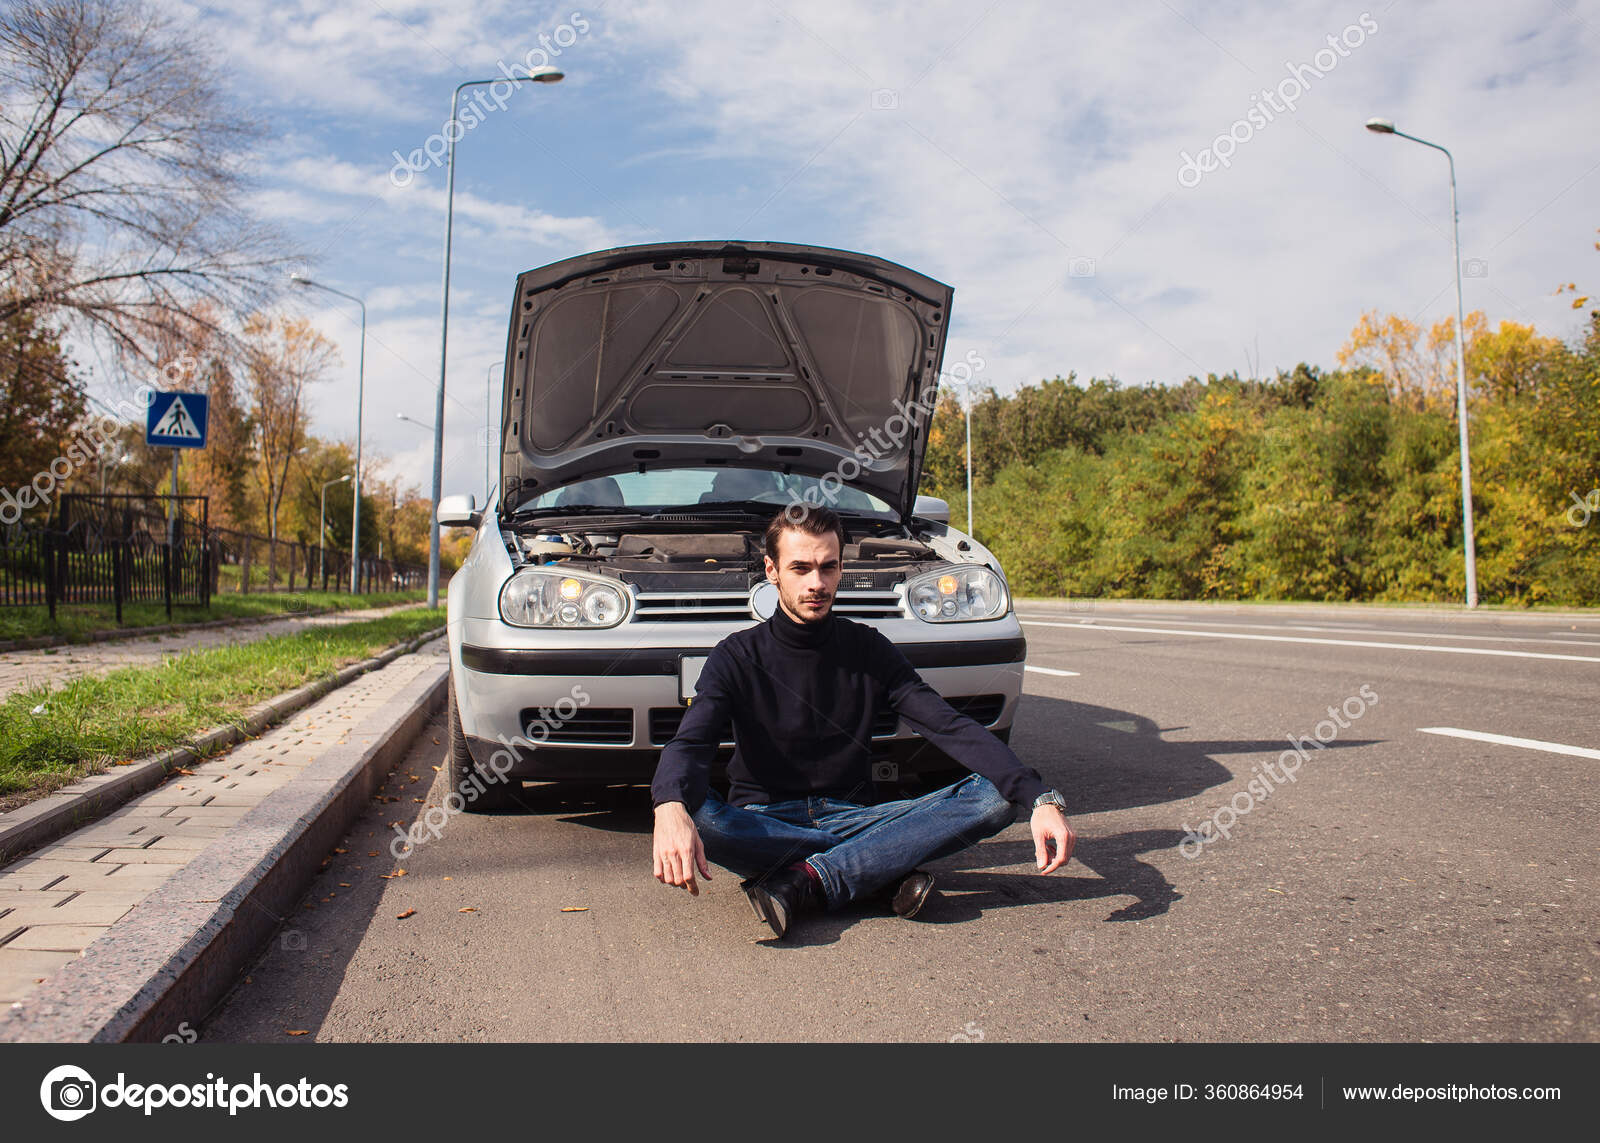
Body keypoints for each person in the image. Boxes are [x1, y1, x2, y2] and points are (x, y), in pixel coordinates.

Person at [650, 503, 1076, 938]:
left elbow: (947, 725)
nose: (816, 583)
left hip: (854, 815)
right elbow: (692, 742)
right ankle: (880, 867)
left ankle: (806, 878)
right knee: (702, 816)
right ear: (772, 570)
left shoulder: (869, 649)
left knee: (997, 797)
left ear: (841, 569)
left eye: (828, 567)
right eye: (800, 568)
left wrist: (1040, 799)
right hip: (763, 821)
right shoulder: (736, 655)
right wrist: (668, 806)